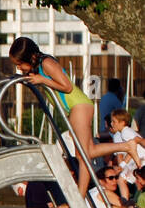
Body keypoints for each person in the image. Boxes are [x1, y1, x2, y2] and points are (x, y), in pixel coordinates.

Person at [10, 37, 99, 196]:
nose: (19, 68)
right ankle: (128, 146)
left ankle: (80, 196)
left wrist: (42, 80)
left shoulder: (46, 63)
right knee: (88, 151)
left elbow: (67, 86)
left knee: (82, 156)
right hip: (74, 108)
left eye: (19, 64)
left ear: (30, 57)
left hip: (78, 105)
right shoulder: (37, 67)